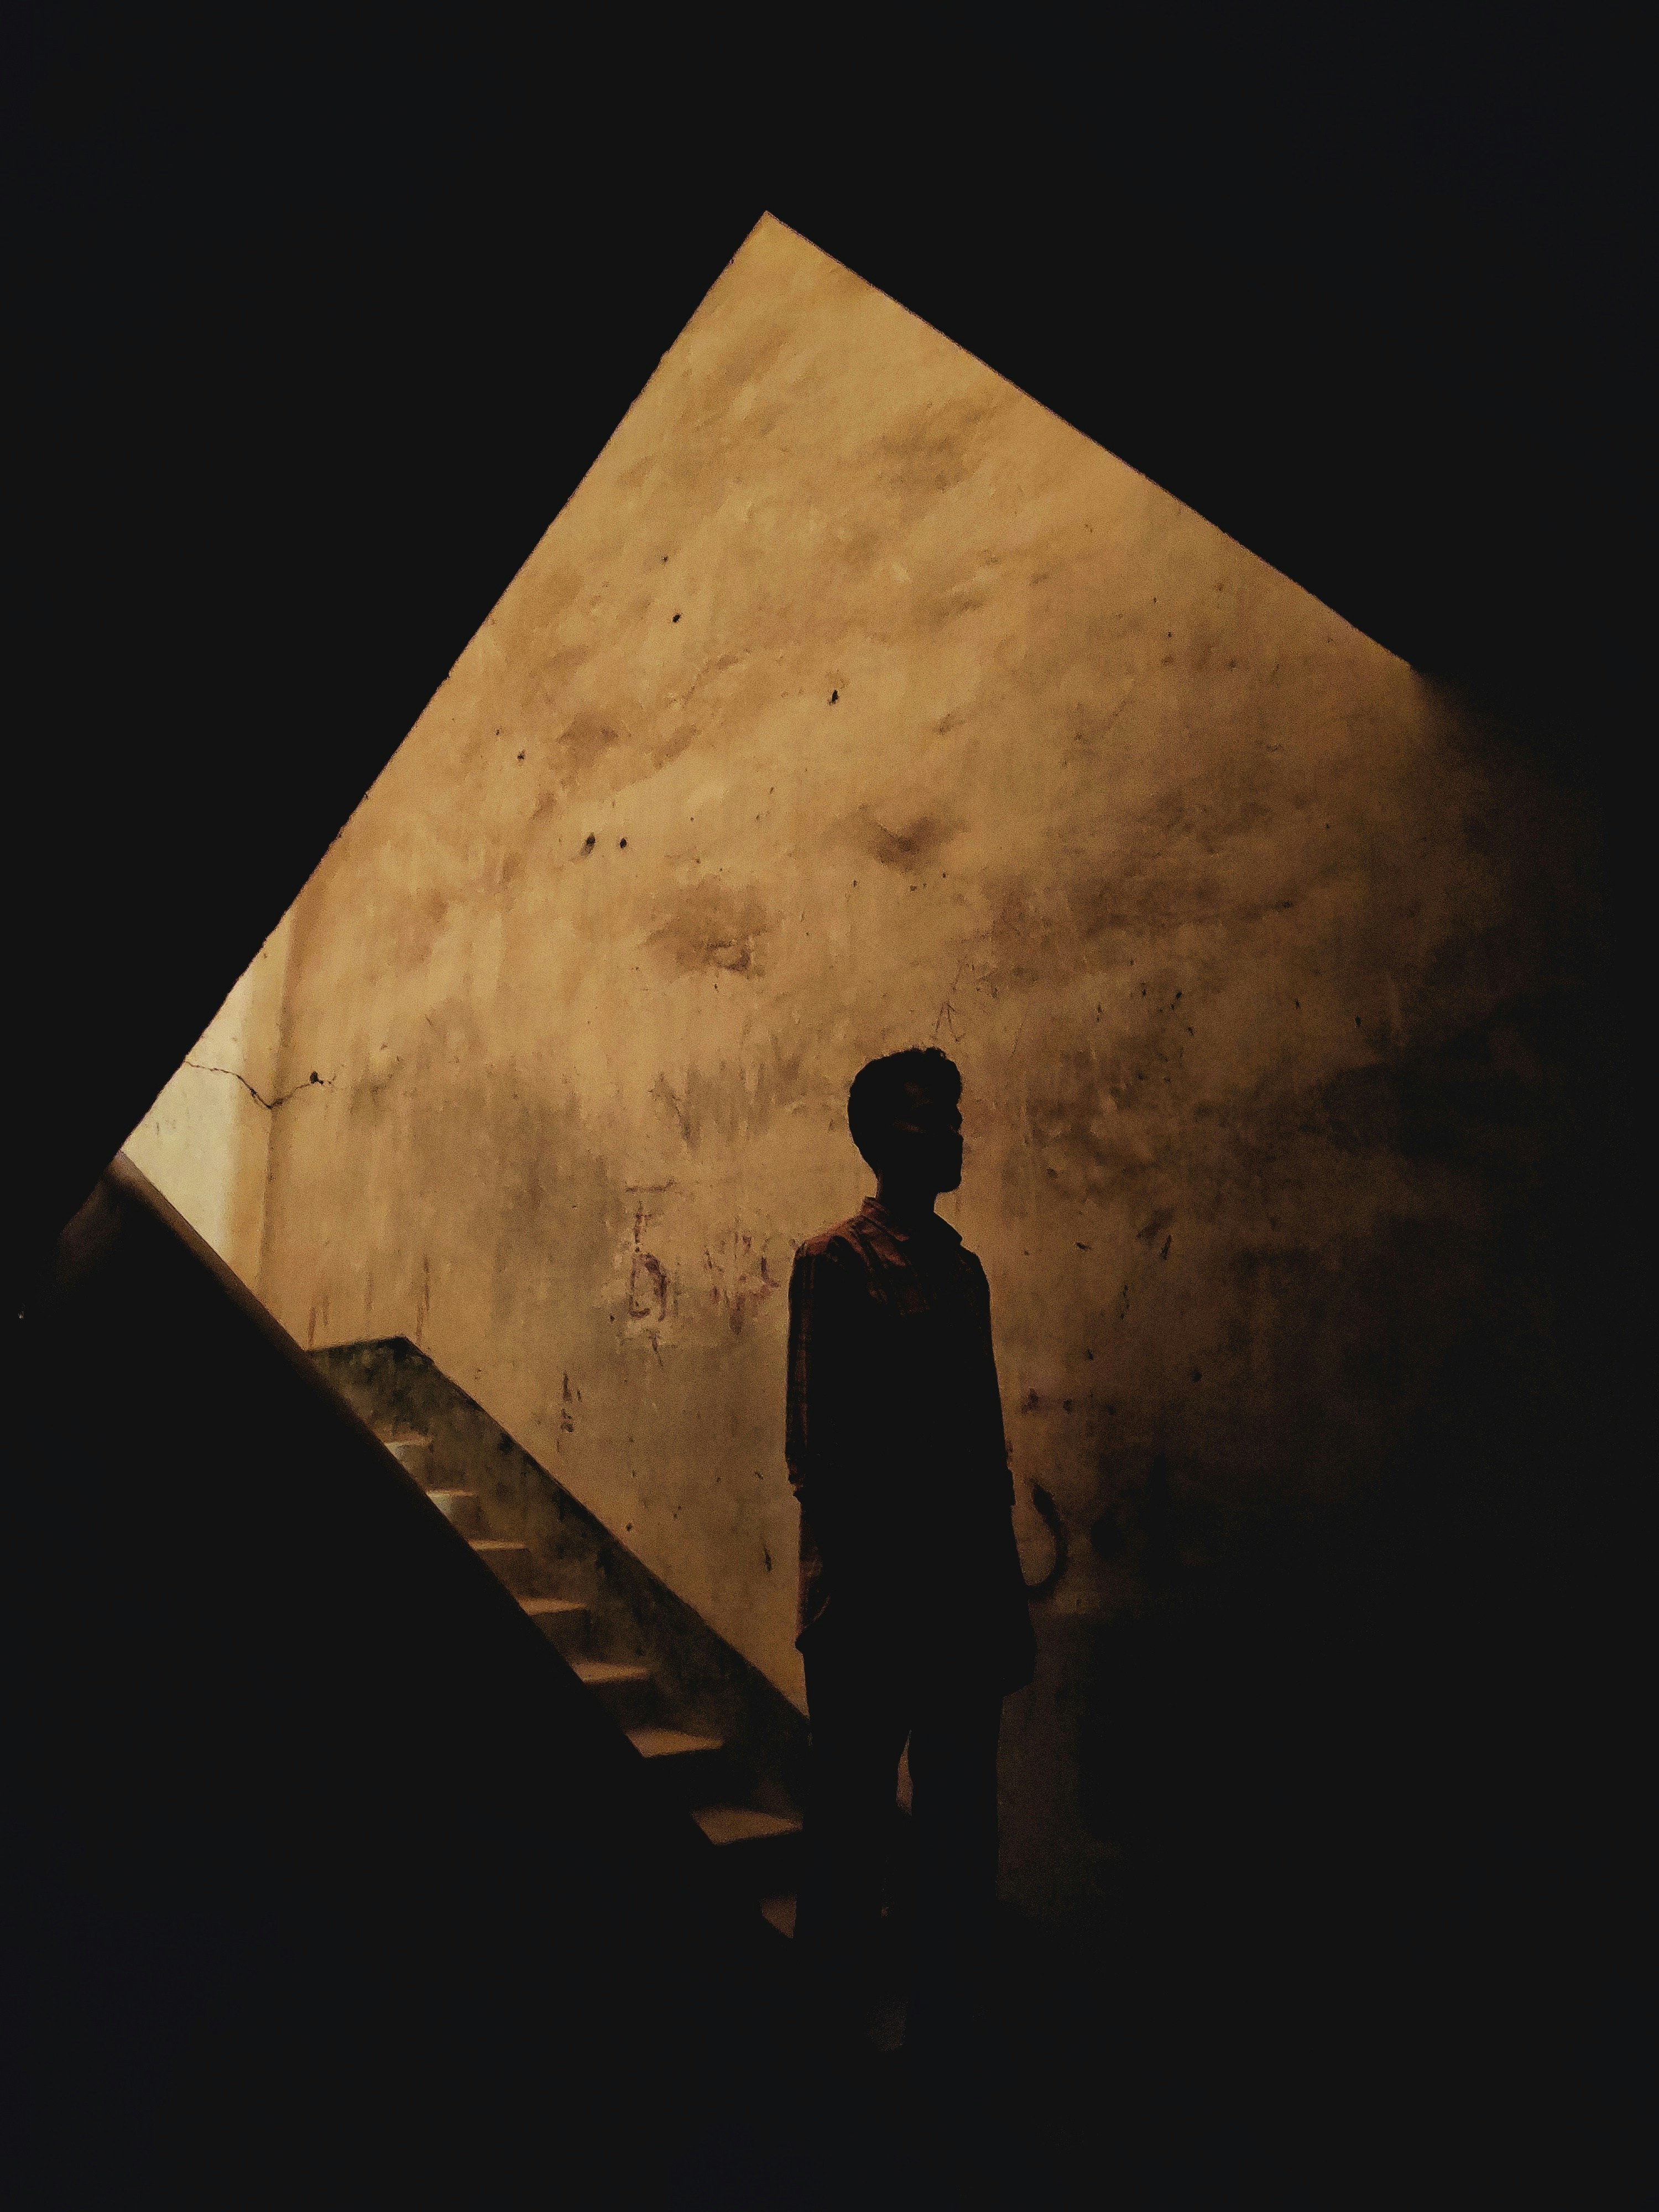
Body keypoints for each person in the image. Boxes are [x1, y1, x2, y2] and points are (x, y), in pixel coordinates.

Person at [785, 1047, 1035, 2078]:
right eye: (934, 1119)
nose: (955, 1135)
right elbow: (819, 1457)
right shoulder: (837, 1262)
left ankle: (947, 2054)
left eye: (955, 1118)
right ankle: (822, 2060)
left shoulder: (962, 1272)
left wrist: (998, 1598)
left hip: (961, 1609)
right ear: (883, 1138)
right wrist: (884, 1593)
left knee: (958, 1840)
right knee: (849, 1840)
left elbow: (983, 1454)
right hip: (870, 1611)